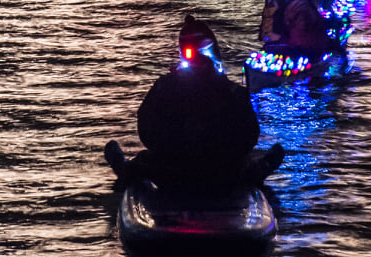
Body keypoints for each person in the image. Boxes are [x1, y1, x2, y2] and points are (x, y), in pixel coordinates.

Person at [105, 16, 283, 190]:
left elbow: (147, 132)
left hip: (169, 173)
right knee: (244, 163)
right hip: (223, 174)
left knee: (145, 162)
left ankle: (127, 170)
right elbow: (249, 137)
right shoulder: (232, 91)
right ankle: (257, 169)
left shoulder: (164, 88)